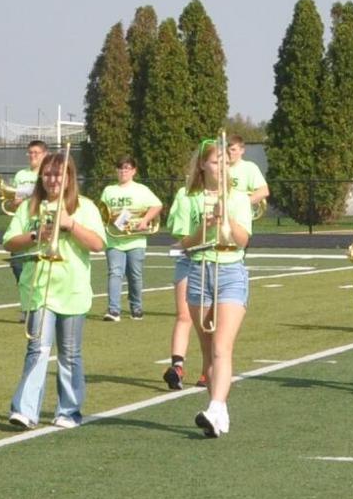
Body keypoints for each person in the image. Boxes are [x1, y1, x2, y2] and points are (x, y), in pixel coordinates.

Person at [3, 151, 106, 429]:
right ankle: (25, 410)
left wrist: (70, 224)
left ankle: (68, 411)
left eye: (58, 174)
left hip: (72, 290)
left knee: (69, 354)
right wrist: (36, 235)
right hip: (39, 288)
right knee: (37, 349)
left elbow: (98, 244)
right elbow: (9, 241)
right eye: (47, 174)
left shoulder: (85, 207)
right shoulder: (29, 208)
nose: (52, 180)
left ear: (69, 177)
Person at [182, 140, 253, 438]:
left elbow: (243, 240)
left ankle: (214, 406)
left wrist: (227, 218)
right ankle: (219, 411)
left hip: (230, 271)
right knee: (208, 350)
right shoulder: (189, 198)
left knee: (222, 347)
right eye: (215, 162)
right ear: (202, 165)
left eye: (225, 162)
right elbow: (185, 243)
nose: (221, 167)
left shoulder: (238, 197)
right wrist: (206, 226)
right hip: (199, 270)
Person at [98, 157, 162, 321]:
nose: (123, 171)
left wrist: (145, 220)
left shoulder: (142, 189)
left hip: (136, 240)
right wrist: (112, 220)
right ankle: (113, 310)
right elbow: (103, 212)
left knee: (135, 275)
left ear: (134, 171)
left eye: (127, 168)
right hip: (114, 239)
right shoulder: (109, 190)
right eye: (120, 168)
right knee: (114, 273)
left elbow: (157, 205)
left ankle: (136, 307)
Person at [160, 153, 203, 390]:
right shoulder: (185, 193)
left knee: (209, 320)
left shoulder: (227, 195)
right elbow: (179, 230)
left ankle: (209, 369)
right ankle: (177, 367)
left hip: (216, 263)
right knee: (184, 315)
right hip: (189, 259)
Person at [5, 139, 47, 283]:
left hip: (40, 224)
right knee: (18, 267)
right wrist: (14, 204)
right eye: (30, 153)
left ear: (44, 154)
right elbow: (13, 204)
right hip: (23, 226)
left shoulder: (47, 175)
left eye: (36, 152)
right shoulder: (20, 175)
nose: (32, 155)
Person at [226, 135, 270, 213]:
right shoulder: (218, 168)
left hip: (241, 215)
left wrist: (242, 204)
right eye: (227, 150)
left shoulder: (249, 167)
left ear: (242, 150)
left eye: (233, 150)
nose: (230, 153)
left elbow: (264, 191)